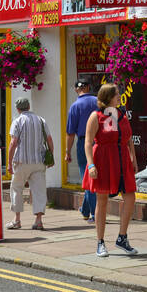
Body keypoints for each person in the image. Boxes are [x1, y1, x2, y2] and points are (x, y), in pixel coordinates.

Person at [82, 83, 138, 257]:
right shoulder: (96, 116)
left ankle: (122, 237)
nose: (119, 96)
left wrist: (133, 158)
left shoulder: (120, 115)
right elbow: (88, 142)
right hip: (103, 160)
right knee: (102, 200)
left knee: (130, 197)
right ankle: (100, 242)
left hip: (122, 159)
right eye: (116, 94)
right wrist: (91, 164)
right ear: (108, 97)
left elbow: (128, 139)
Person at [7, 97, 53, 231]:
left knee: (16, 188)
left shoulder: (18, 121)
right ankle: (38, 221)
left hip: (22, 161)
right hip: (39, 161)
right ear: (28, 107)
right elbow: (49, 139)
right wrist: (51, 156)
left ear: (18, 108)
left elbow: (13, 142)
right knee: (39, 191)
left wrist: (9, 163)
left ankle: (17, 220)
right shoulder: (41, 120)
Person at [65, 78, 100, 221]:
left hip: (83, 142)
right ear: (88, 87)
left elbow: (70, 133)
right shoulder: (98, 101)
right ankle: (86, 210)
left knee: (87, 178)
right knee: (93, 176)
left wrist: (67, 151)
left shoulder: (75, 106)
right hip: (99, 142)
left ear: (76, 89)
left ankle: (93, 213)